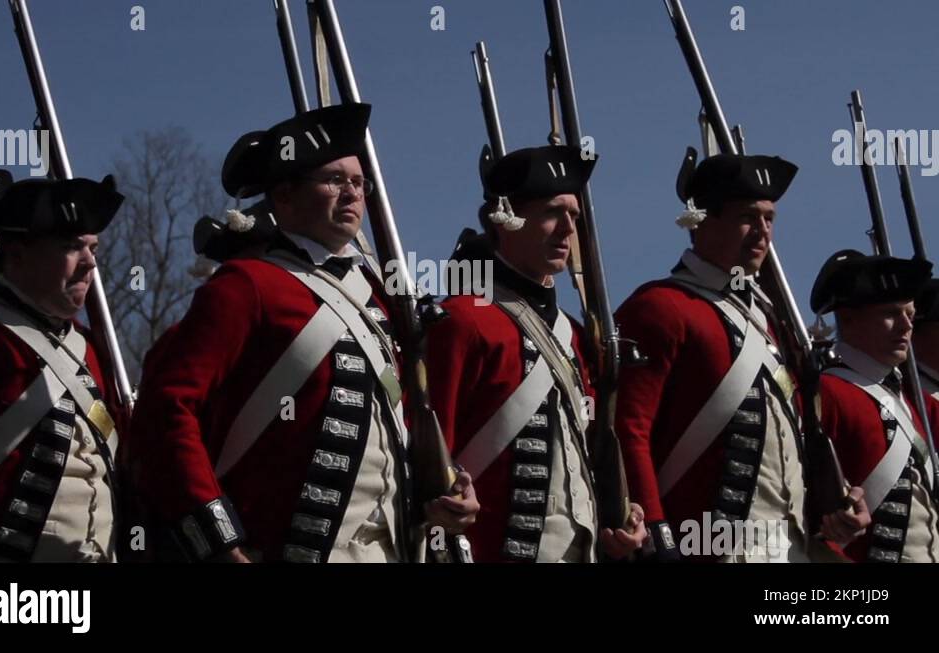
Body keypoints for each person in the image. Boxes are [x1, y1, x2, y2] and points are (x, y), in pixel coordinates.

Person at [128, 104, 478, 562]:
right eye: (334, 181)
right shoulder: (246, 286)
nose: (352, 194)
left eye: (358, 182)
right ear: (285, 197)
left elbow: (401, 421)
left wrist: (448, 485)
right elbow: (166, 409)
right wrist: (218, 540)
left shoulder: (375, 298)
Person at [614, 150, 870, 562]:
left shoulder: (770, 320)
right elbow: (628, 430)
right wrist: (656, 540)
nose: (763, 232)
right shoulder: (661, 306)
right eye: (747, 217)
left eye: (770, 218)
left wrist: (834, 507)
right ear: (701, 221)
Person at [426, 144, 646, 562]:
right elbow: (431, 455)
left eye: (574, 217)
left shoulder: (575, 335)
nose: (567, 229)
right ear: (505, 219)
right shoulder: (463, 319)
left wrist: (623, 513)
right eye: (551, 213)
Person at [0, 169, 125, 562]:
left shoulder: (89, 349)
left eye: (93, 247)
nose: (90, 263)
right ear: (17, 252)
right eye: (72, 246)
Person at [812, 250, 939, 562]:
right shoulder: (824, 392)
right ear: (848, 318)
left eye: (910, 314)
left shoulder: (912, 401)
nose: (905, 326)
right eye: (891, 314)